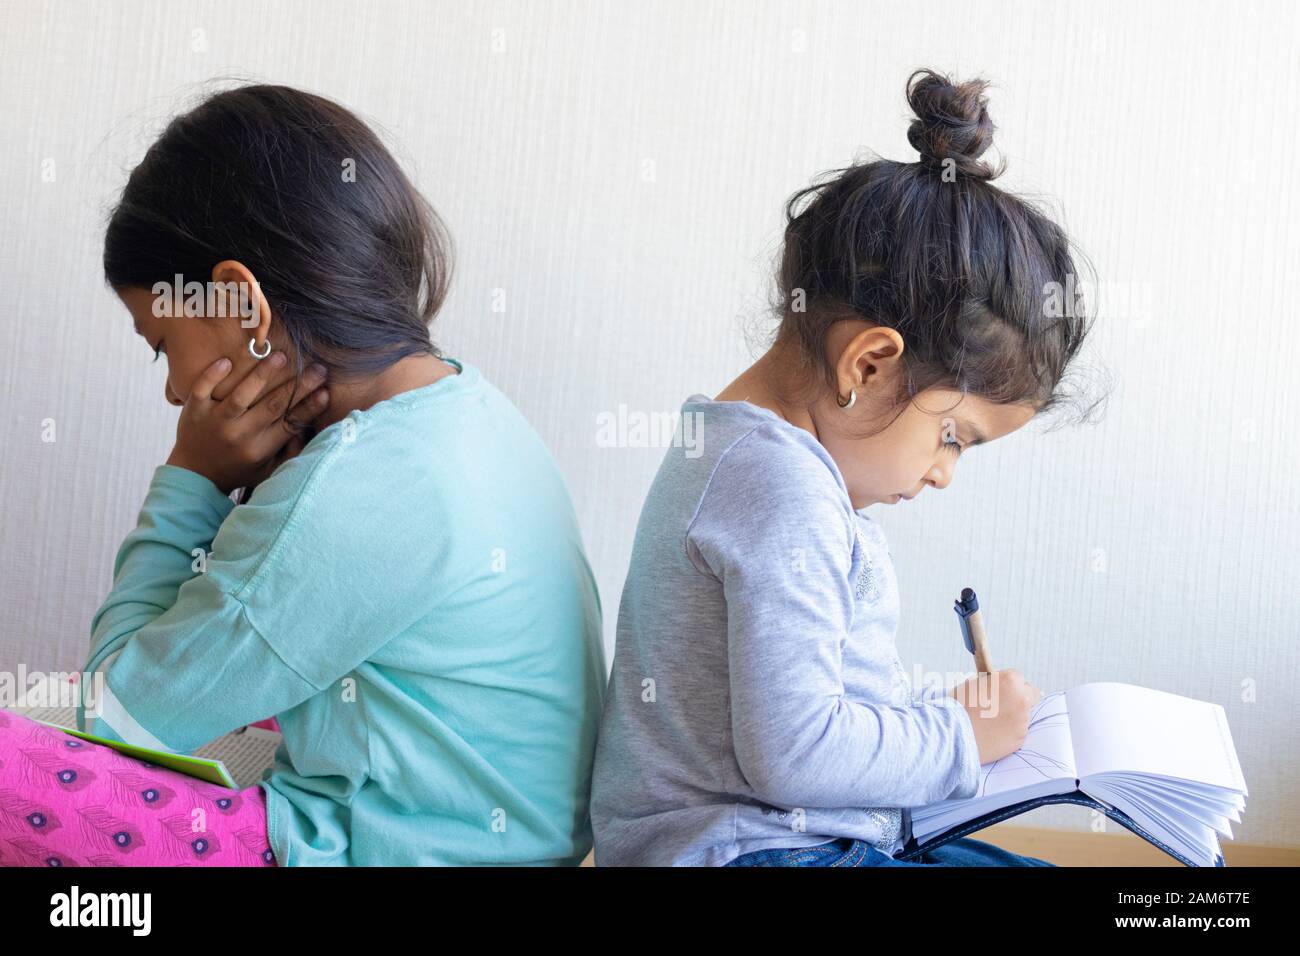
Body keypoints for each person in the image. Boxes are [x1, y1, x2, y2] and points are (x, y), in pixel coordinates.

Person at [0, 84, 606, 867]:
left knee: (20, 759)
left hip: (377, 853)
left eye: (160, 343)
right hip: (491, 844)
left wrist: (191, 477)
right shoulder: (469, 414)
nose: (173, 390)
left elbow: (105, 721)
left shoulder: (347, 490)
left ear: (241, 306)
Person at [589, 68, 1103, 867]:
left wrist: (948, 709)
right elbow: (794, 753)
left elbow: (824, 696)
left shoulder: (753, 459)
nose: (944, 474)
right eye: (955, 437)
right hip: (755, 853)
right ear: (867, 365)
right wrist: (963, 739)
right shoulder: (780, 492)